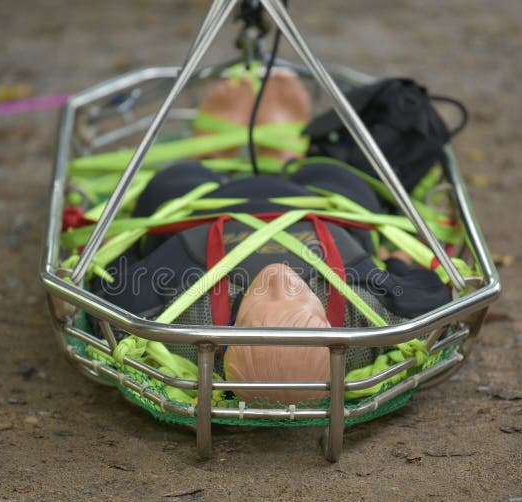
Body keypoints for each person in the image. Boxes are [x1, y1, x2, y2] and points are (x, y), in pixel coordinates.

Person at [94, 68, 450, 404]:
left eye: (264, 299)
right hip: (317, 200)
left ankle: (214, 156)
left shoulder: (183, 320)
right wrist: (396, 265)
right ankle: (286, 156)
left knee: (166, 187)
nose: (280, 277)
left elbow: (110, 288)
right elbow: (429, 296)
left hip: (204, 201)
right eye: (301, 298)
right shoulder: (364, 322)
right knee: (342, 179)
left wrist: (127, 257)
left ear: (227, 346)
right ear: (331, 332)